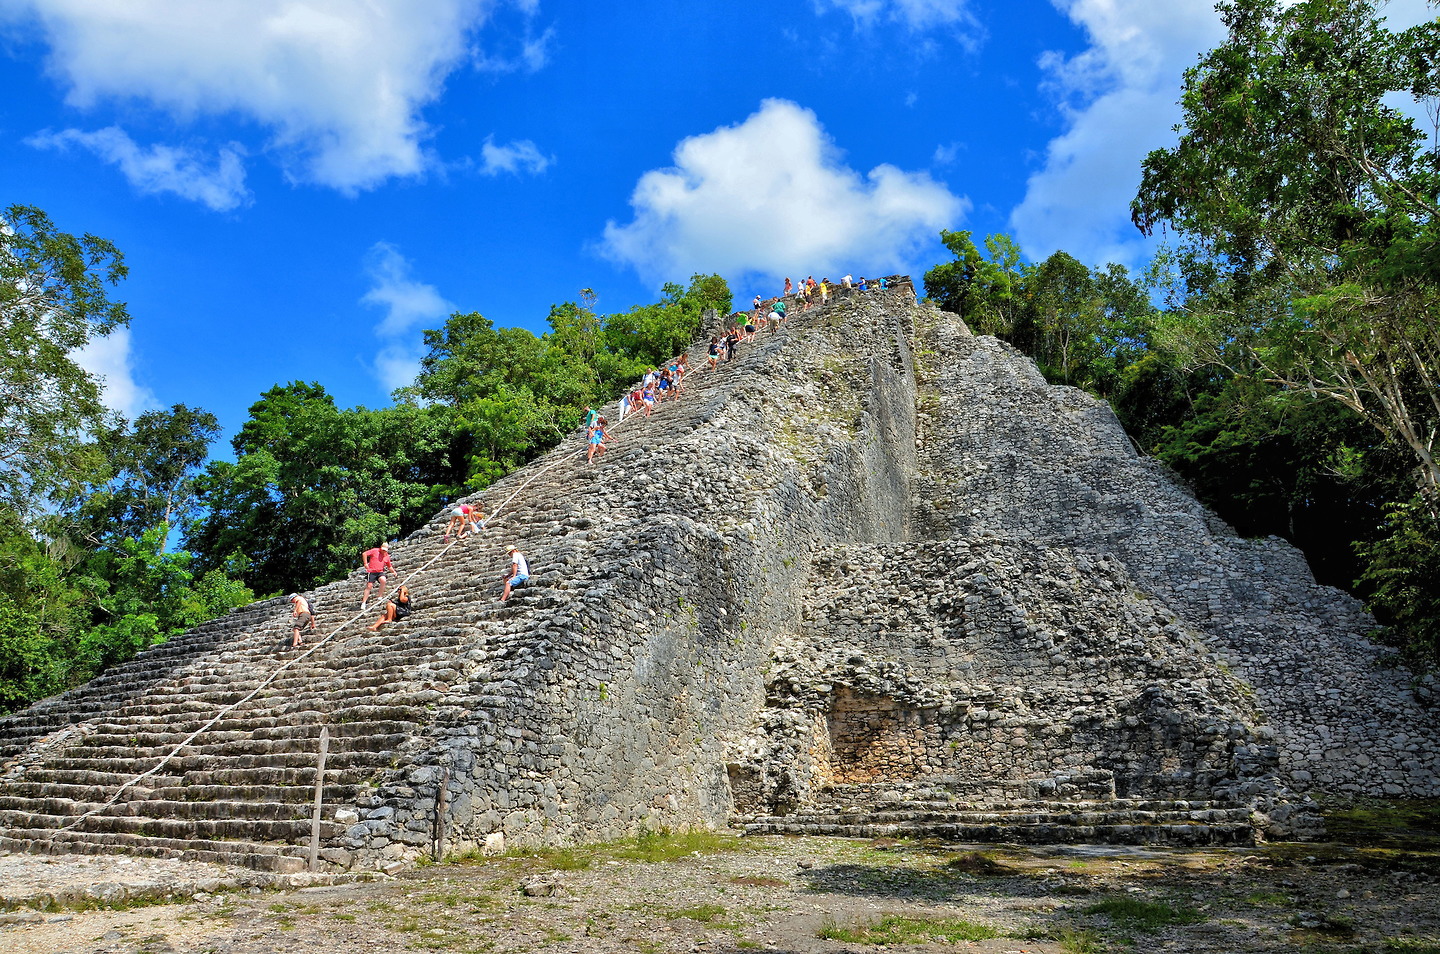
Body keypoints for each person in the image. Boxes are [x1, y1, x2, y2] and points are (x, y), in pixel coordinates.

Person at [360, 541, 393, 609]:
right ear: (381, 547)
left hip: (380, 571)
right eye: (383, 550)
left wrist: (394, 572)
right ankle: (363, 602)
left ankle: (380, 596)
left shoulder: (386, 556)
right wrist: (365, 563)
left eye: (385, 550)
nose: (383, 551)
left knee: (383, 580)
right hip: (372, 571)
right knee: (369, 586)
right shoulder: (375, 550)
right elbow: (364, 554)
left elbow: (389, 566)